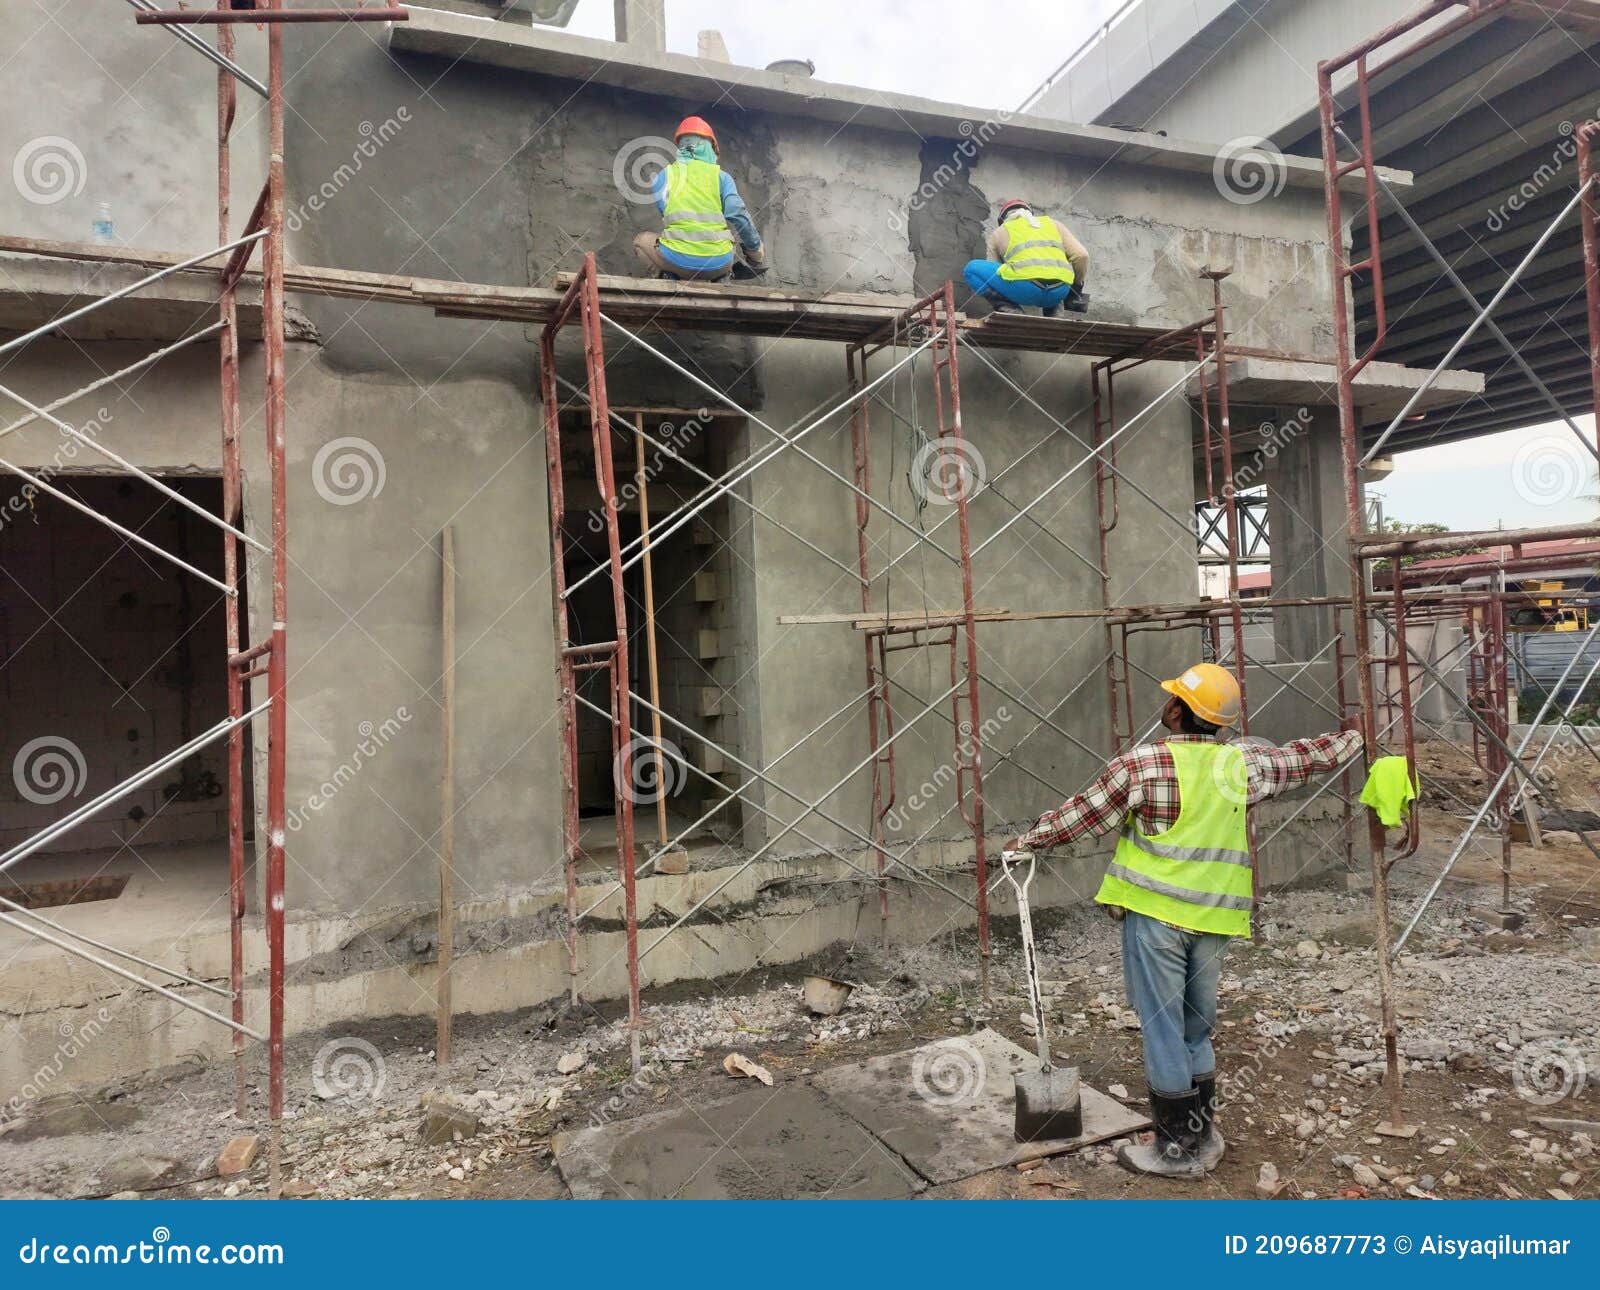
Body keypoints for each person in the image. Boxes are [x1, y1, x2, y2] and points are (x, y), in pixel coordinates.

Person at [1008, 663, 1362, 1178]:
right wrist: (1353, 738)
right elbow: (1305, 758)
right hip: (1215, 921)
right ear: (1222, 722)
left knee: (1163, 1030)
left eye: (1171, 697)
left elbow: (1081, 817)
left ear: (1176, 710)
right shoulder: (1243, 764)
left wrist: (1027, 840)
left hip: (1157, 920)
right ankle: (1202, 1134)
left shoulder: (1144, 765)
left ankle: (1176, 1149)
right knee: (1196, 1029)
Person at [632, 116, 766, 282]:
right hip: (720, 262)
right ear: (710, 147)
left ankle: (665, 276)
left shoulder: (663, 176)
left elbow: (666, 215)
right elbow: (738, 213)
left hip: (676, 261)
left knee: (640, 241)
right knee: (725, 248)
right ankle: (723, 276)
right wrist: (755, 252)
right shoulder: (721, 177)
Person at [963, 198, 1089, 316]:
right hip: (1058, 294)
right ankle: (1054, 316)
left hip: (1026, 291)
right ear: (1031, 214)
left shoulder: (999, 232)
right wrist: (1075, 290)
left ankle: (1010, 309)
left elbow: (994, 276)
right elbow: (1082, 256)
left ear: (1003, 220)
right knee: (1056, 273)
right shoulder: (1054, 225)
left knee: (971, 269)